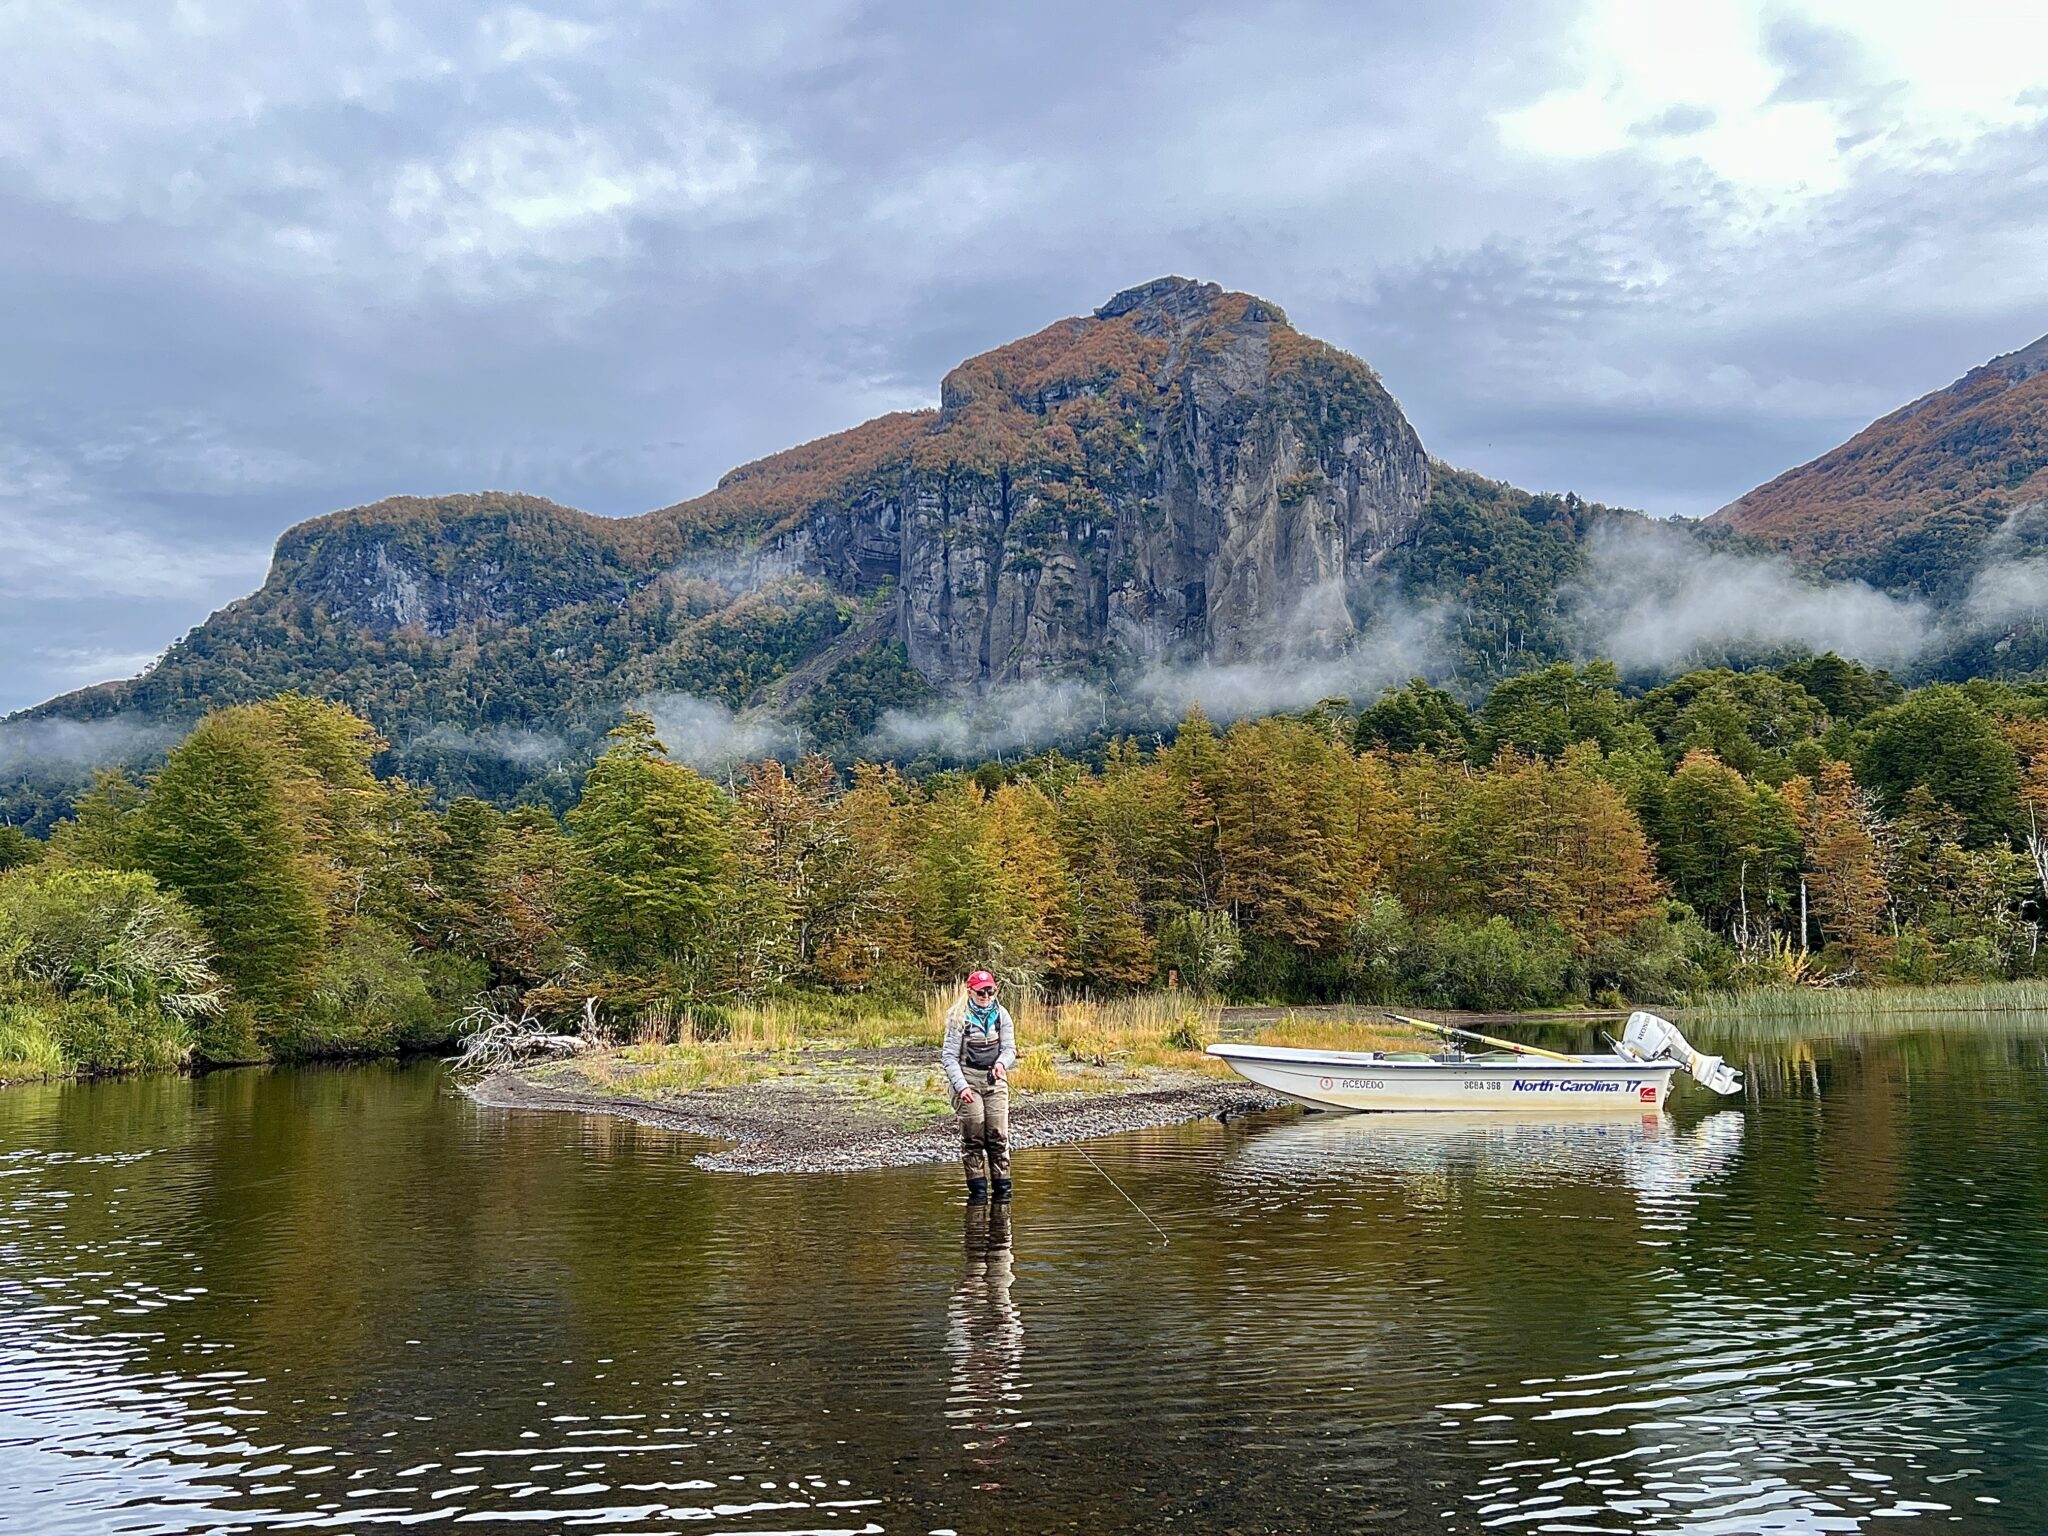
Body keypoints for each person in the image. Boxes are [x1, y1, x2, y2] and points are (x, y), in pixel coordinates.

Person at [942, 968, 1015, 1202]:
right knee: (973, 1139)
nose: (986, 996)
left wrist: (1001, 1064)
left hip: (995, 1082)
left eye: (990, 991)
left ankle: (1003, 1195)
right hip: (967, 1081)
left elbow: (1009, 1049)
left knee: (998, 1137)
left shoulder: (1002, 1015)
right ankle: (978, 1195)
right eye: (981, 992)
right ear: (970, 991)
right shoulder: (958, 1017)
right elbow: (949, 1057)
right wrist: (961, 1086)